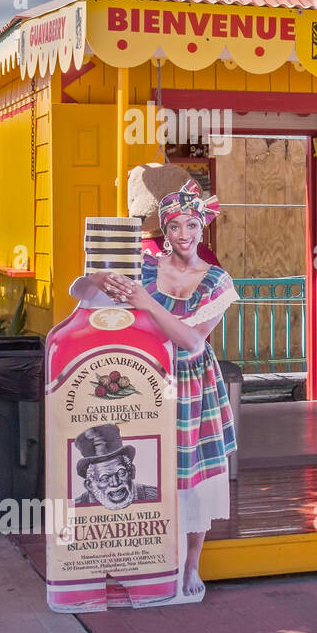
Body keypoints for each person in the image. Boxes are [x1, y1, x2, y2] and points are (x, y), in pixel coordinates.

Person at [76, 182, 237, 596]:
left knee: (191, 480)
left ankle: (189, 568)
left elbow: (193, 341)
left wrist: (147, 303)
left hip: (189, 383)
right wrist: (96, 274)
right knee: (146, 472)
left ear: (202, 227)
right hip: (141, 380)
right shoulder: (143, 267)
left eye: (191, 224)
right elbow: (84, 296)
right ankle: (142, 565)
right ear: (164, 230)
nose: (184, 234)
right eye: (174, 226)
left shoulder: (217, 281)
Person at [74, 425, 159, 510]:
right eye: (104, 478)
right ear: (90, 486)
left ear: (132, 472)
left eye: (121, 473)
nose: (115, 483)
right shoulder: (74, 507)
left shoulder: (155, 496)